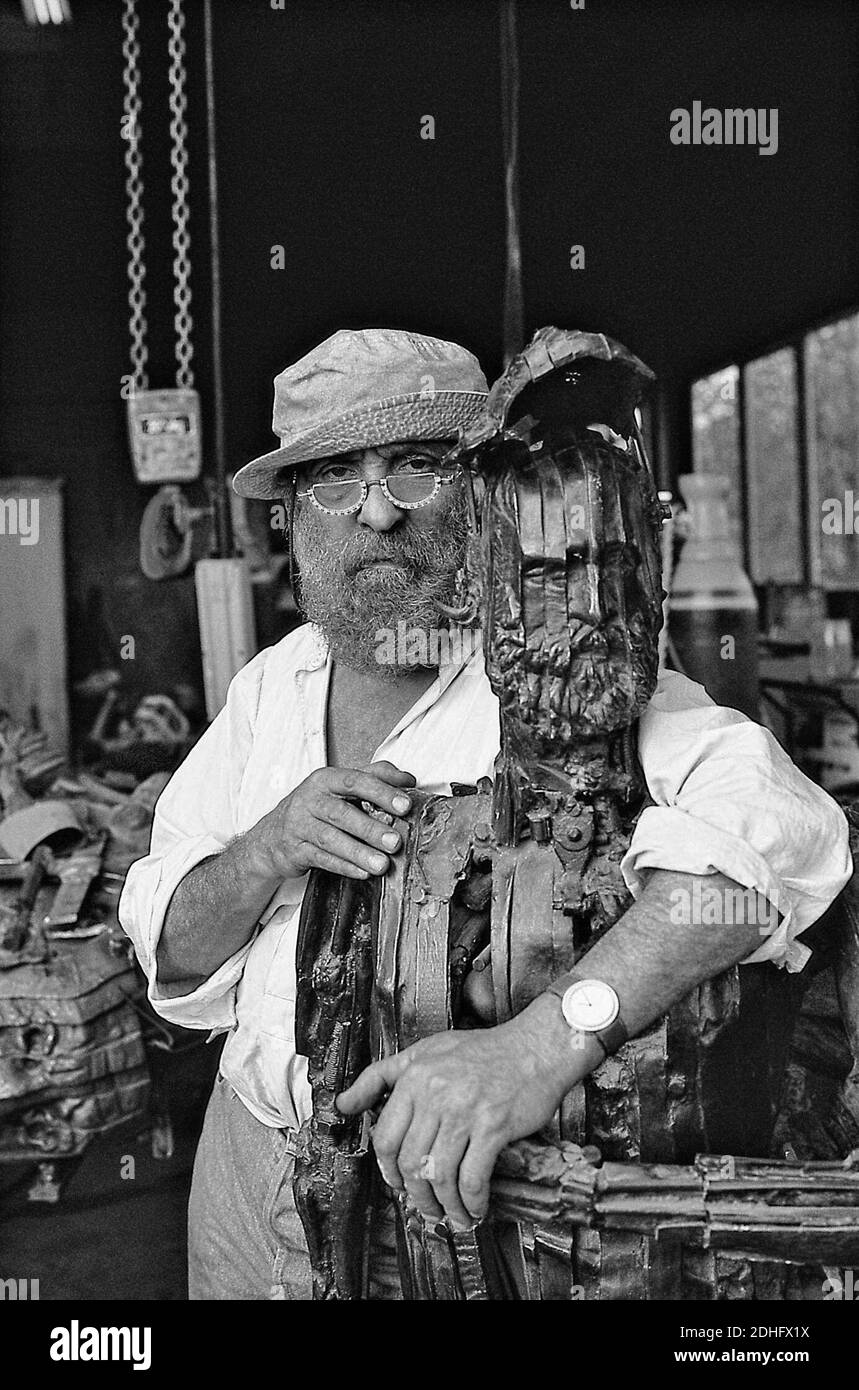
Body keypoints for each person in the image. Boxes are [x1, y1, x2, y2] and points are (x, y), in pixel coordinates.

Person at [119, 326, 852, 1299]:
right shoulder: (271, 686)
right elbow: (169, 947)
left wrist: (539, 1043)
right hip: (244, 1161)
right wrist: (263, 851)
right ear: (290, 521)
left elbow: (780, 850)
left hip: (434, 1204)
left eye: (417, 469)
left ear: (480, 495)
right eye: (335, 480)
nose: (375, 513)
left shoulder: (561, 675)